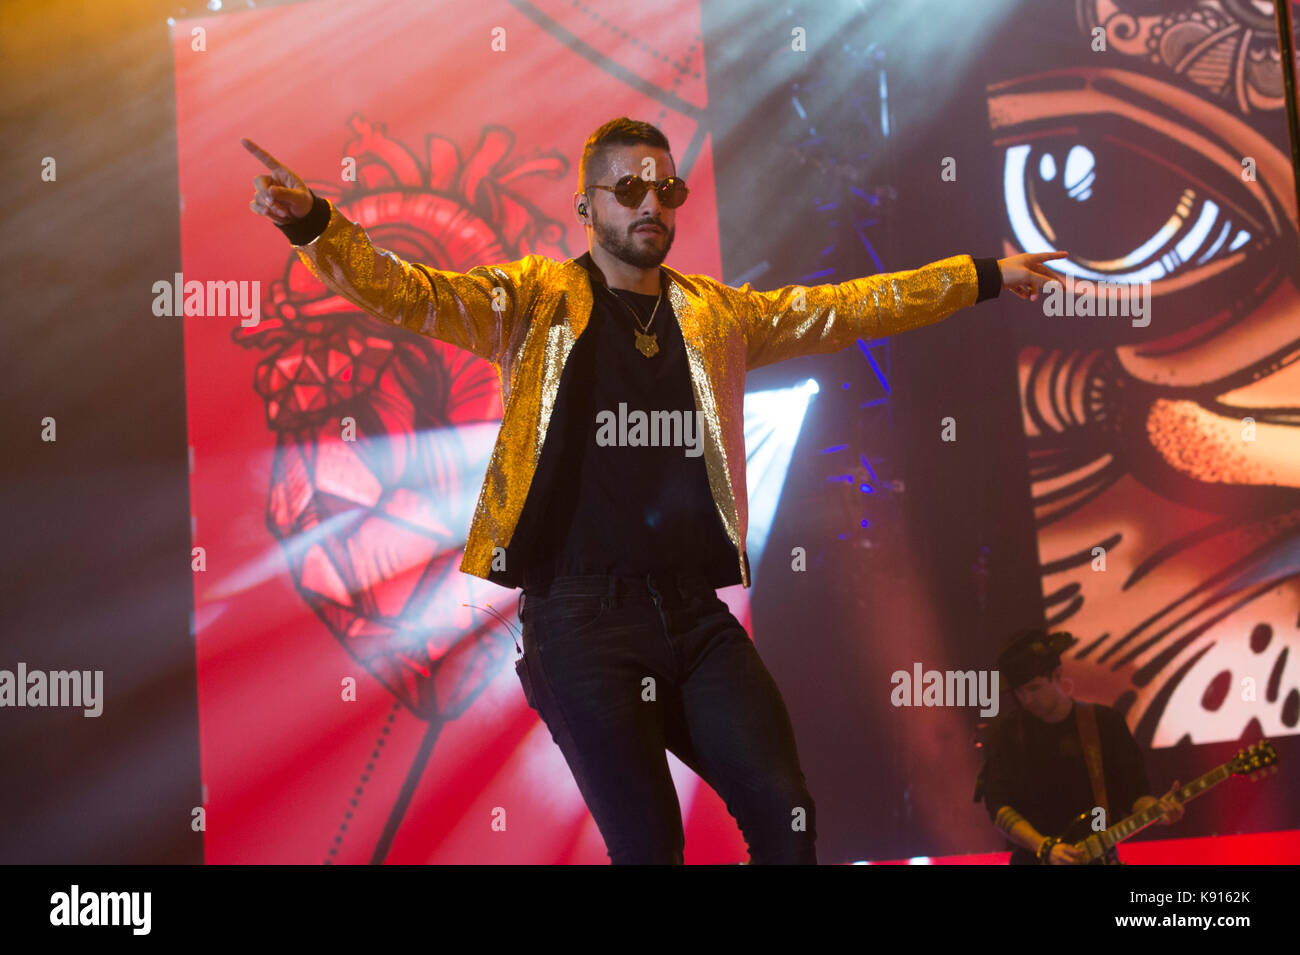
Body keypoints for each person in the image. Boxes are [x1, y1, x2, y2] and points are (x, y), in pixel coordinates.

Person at [243, 117, 1065, 864]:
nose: (651, 204)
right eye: (628, 188)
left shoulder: (715, 314)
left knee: (789, 817)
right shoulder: (534, 302)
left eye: (664, 188)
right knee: (649, 850)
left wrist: (984, 273)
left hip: (694, 616)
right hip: (580, 621)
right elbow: (411, 290)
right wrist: (316, 224)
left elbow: (850, 306)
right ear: (587, 204)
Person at [976, 628, 1184, 864]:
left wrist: (1157, 810)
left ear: (1057, 675)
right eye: (1019, 692)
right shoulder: (1006, 733)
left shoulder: (1104, 723)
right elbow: (999, 806)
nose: (1027, 699)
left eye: (1034, 688)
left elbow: (1134, 794)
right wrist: (1045, 848)